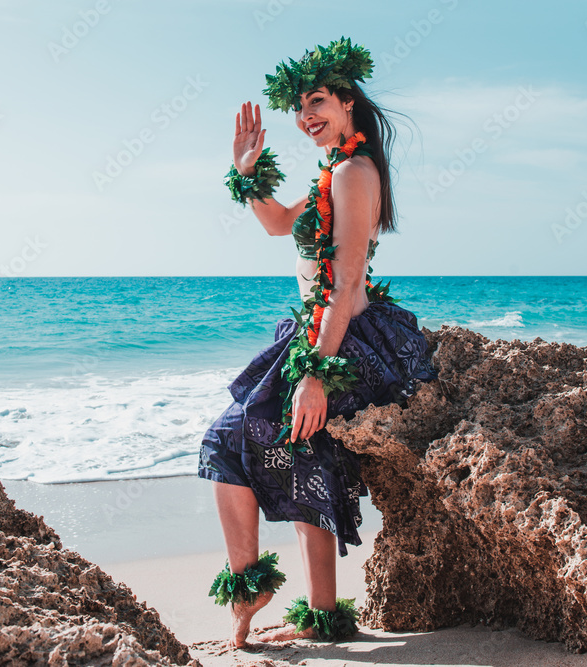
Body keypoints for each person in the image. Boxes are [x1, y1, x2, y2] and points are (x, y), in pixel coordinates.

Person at [197, 38, 438, 648]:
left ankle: (288, 599)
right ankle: (291, 601)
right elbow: (280, 223)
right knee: (264, 446)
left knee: (255, 440)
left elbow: (348, 279)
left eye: (319, 101)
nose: (307, 115)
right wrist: (246, 172)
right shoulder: (334, 171)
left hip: (344, 343)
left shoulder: (356, 175)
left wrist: (314, 375)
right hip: (316, 334)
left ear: (348, 103)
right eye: (301, 106)